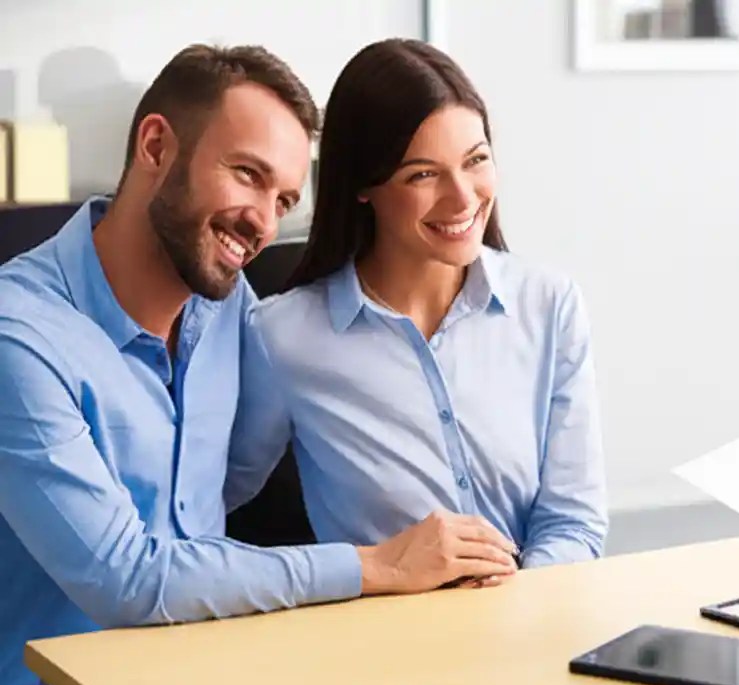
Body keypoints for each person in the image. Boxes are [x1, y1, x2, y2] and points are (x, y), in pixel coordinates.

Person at [0, 45, 517, 685]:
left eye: (285, 199)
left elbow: (225, 486)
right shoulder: (20, 335)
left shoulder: (229, 307)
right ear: (156, 145)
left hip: (202, 680)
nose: (264, 224)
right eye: (247, 175)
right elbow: (125, 579)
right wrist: (375, 566)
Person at [238, 39, 608, 576]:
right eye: (423, 174)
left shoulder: (549, 306)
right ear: (364, 185)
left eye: (476, 160)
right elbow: (206, 509)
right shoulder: (284, 337)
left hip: (533, 622)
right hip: (382, 643)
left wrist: (515, 594)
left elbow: (574, 520)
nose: (462, 198)